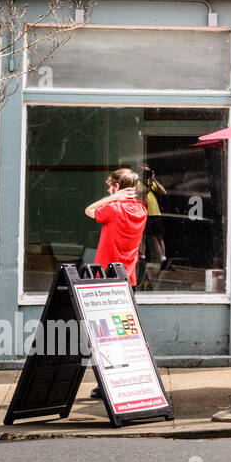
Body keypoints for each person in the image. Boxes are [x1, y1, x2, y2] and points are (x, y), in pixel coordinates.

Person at [83, 167, 148, 400]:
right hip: (127, 278)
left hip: (104, 280)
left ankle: (107, 385)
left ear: (118, 188)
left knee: (105, 336)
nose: (109, 190)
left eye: (111, 187)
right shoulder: (141, 211)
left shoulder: (112, 208)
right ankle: (126, 380)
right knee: (124, 333)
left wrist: (113, 198)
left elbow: (89, 210)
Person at [141, 167, 168, 274]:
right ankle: (142, 257)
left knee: (159, 236)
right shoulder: (139, 183)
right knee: (142, 236)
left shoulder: (151, 182)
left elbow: (163, 192)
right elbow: (142, 194)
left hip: (155, 213)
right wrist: (148, 185)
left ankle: (163, 258)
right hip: (145, 213)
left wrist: (154, 180)